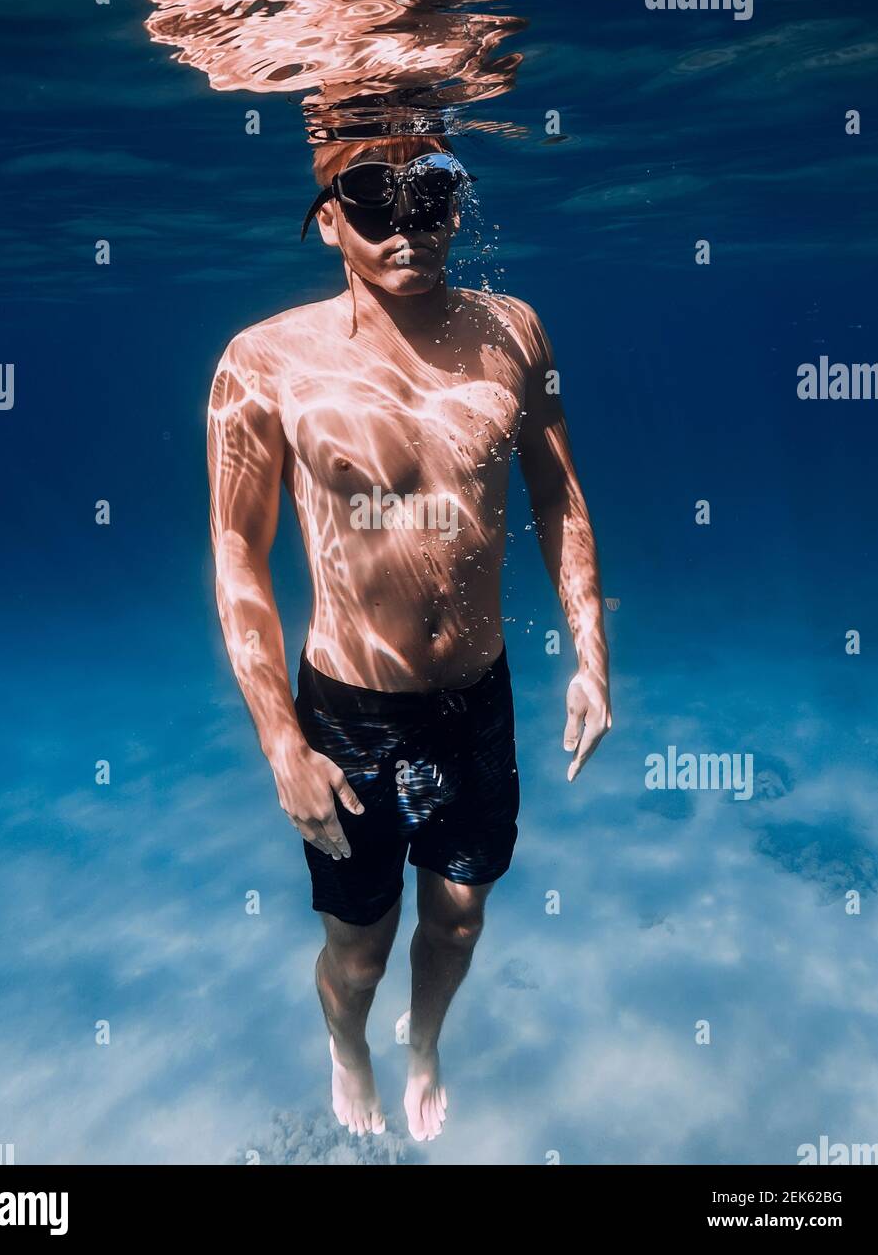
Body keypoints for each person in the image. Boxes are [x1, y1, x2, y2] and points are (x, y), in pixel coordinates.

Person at [207, 133, 611, 1142]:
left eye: (428, 193)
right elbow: (238, 555)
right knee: (358, 949)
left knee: (461, 917)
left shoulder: (513, 329)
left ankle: (425, 1040)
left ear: (456, 204)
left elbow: (557, 493)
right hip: (352, 710)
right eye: (370, 198)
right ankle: (349, 1045)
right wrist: (282, 743)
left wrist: (590, 657)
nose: (406, 224)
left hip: (478, 696)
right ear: (327, 221)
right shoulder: (263, 361)